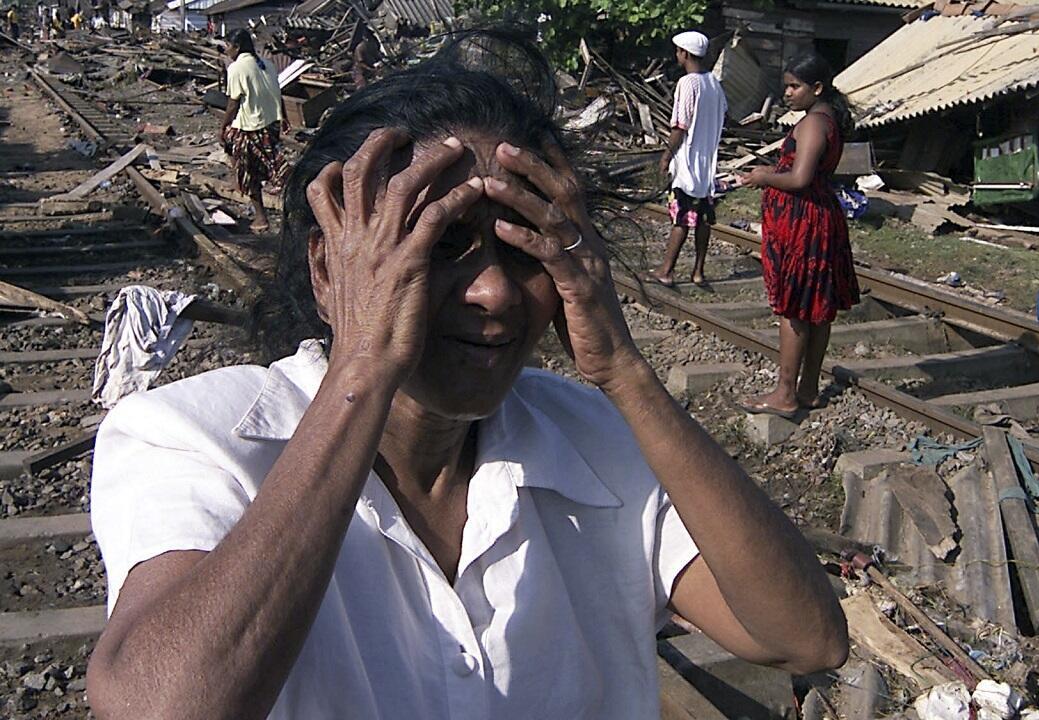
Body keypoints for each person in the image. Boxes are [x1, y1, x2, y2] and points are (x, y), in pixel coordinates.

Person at [84, 31, 847, 720]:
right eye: (440, 243)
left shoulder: (597, 439)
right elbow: (162, 705)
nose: (494, 292)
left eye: (524, 249)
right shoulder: (196, 438)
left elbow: (803, 637)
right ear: (329, 269)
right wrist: (362, 370)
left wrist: (623, 370)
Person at [735, 54, 859, 418]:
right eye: (786, 86)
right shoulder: (827, 119)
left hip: (803, 222)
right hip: (818, 216)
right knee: (817, 307)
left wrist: (764, 177)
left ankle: (785, 394)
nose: (787, 93)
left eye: (795, 86)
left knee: (794, 307)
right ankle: (807, 390)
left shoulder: (813, 124)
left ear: (816, 88)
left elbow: (800, 178)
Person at [650, 30, 726, 287]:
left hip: (688, 162)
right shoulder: (714, 83)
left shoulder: (687, 83)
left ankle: (666, 271)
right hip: (707, 164)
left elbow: (680, 127)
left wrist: (666, 156)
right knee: (703, 218)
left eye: (678, 51)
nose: (676, 55)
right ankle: (698, 272)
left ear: (684, 53)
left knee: (681, 217)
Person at [220, 29, 289, 233]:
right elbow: (278, 93)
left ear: (237, 47)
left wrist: (223, 127)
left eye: (228, 47)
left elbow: (233, 103)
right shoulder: (267, 64)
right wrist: (283, 116)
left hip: (250, 128)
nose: (227, 51)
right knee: (270, 165)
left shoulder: (236, 68)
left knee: (248, 172)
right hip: (271, 124)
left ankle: (261, 217)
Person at [350, 22, 380, 91]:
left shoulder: (373, 44)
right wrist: (370, 69)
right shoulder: (360, 48)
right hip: (359, 71)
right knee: (362, 88)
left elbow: (377, 56)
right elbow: (361, 63)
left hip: (371, 68)